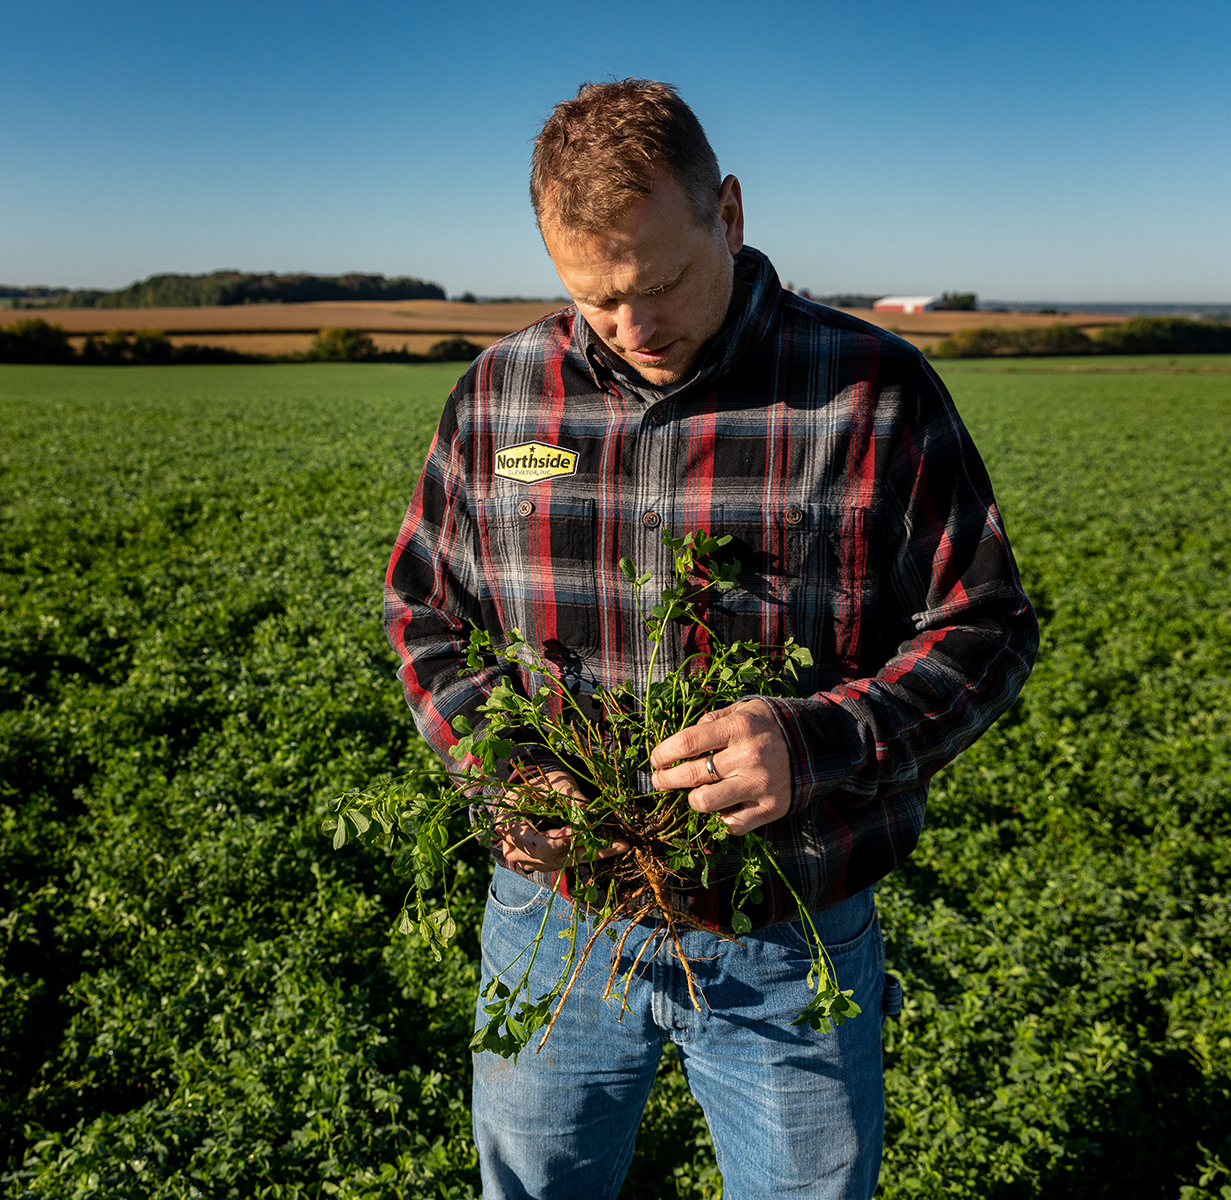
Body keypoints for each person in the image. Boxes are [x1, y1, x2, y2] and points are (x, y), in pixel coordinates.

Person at [383, 79, 1038, 1199]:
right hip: (555, 918)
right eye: (594, 302)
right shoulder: (498, 398)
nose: (633, 330)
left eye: (662, 283)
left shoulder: (872, 390)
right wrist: (503, 769)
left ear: (728, 214)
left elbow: (985, 627)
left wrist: (820, 740)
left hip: (786, 926)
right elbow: (424, 613)